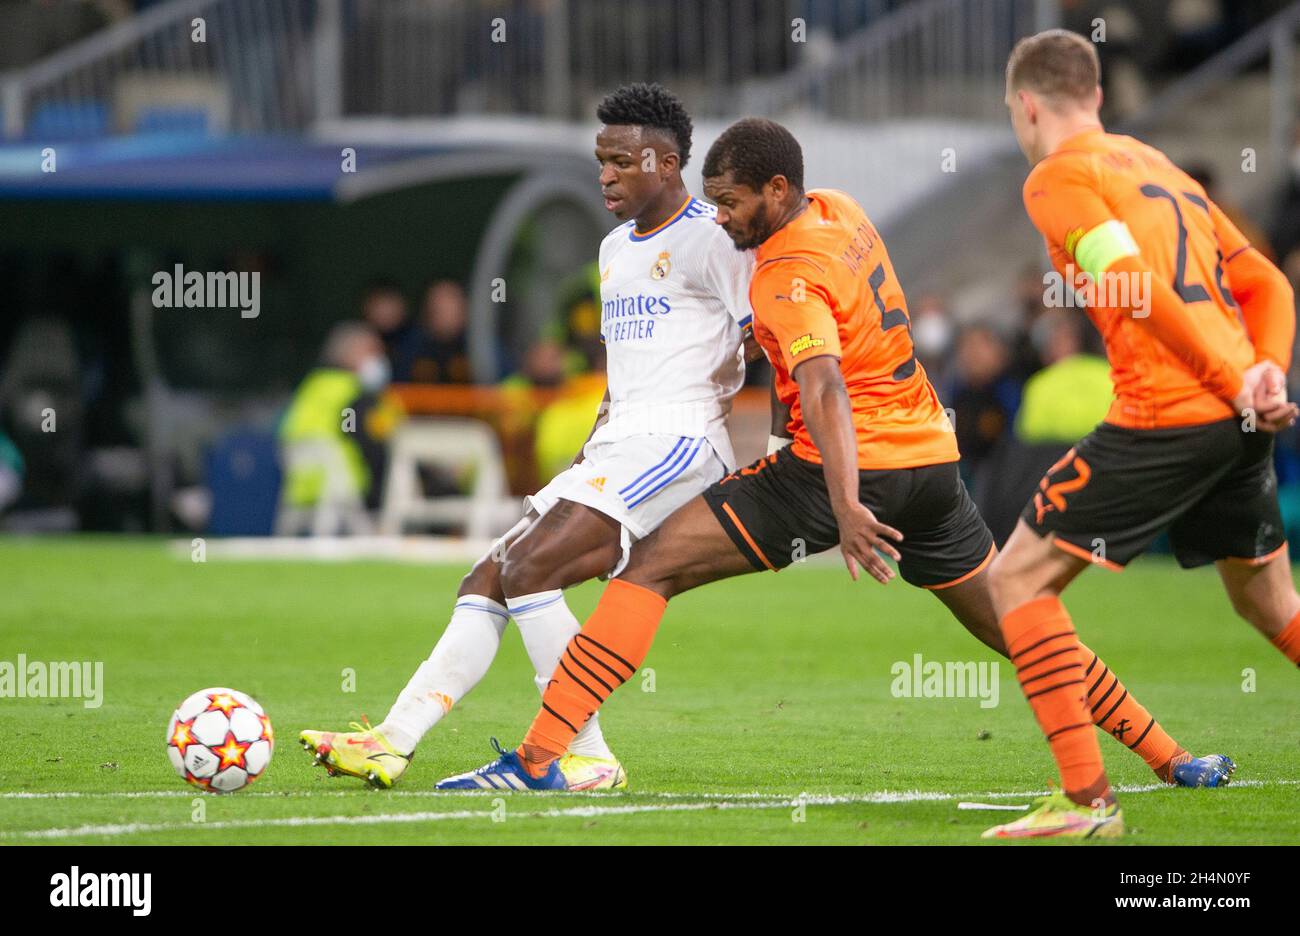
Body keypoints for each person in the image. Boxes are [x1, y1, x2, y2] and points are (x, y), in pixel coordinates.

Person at [435, 117, 1233, 796]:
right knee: (1014, 618)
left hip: (842, 471)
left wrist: (847, 504)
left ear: (777, 190)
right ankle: (1173, 757)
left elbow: (824, 386)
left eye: (732, 202)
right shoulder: (842, 212)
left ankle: (540, 760)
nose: (720, 218)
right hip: (932, 465)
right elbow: (830, 338)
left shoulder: (783, 276)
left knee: (648, 568)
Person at [300, 83, 760, 791]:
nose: (605, 174)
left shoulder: (712, 238)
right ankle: (392, 741)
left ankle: (584, 754)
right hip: (620, 442)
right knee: (488, 576)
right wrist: (587, 457)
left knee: (530, 568)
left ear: (666, 164)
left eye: (620, 161)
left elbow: (766, 332)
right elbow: (623, 371)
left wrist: (762, 422)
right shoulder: (613, 250)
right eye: (600, 160)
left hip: (678, 439)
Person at [982, 28, 1299, 840]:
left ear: (1026, 106)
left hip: (1171, 412)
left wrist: (1230, 377)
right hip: (1239, 417)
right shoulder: (1160, 167)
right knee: (1269, 605)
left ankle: (1087, 803)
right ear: (1095, 95)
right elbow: (1266, 281)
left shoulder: (1059, 176)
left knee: (1016, 580)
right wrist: (1264, 371)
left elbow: (1128, 282)